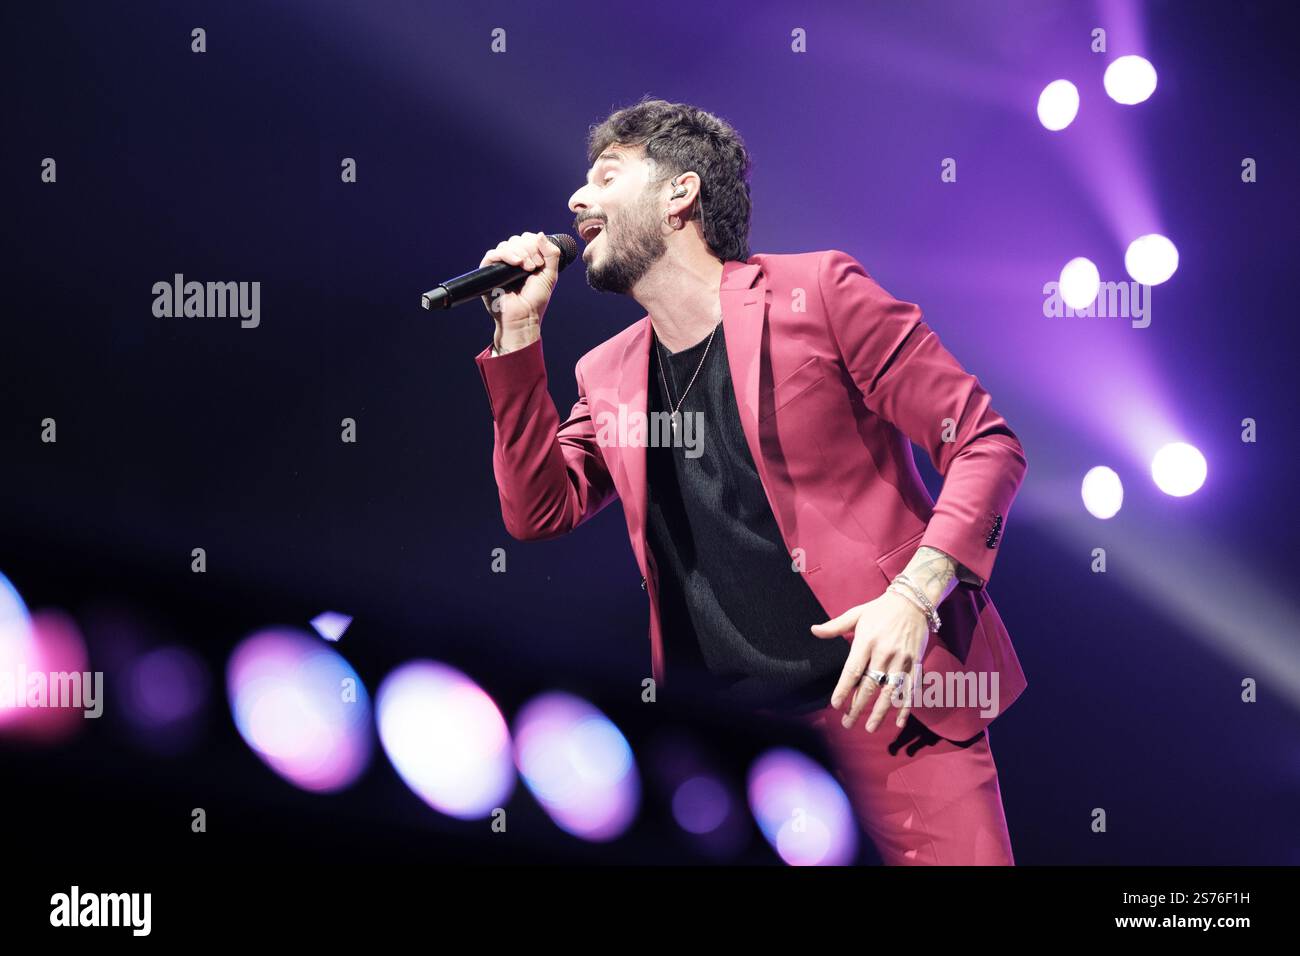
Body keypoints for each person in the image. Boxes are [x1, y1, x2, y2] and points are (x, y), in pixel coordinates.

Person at [472, 97, 1027, 865]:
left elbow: (985, 444)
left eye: (605, 176)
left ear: (681, 193)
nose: (575, 200)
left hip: (888, 712)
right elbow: (538, 508)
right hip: (730, 756)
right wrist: (519, 332)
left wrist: (912, 597)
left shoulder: (821, 293)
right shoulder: (608, 376)